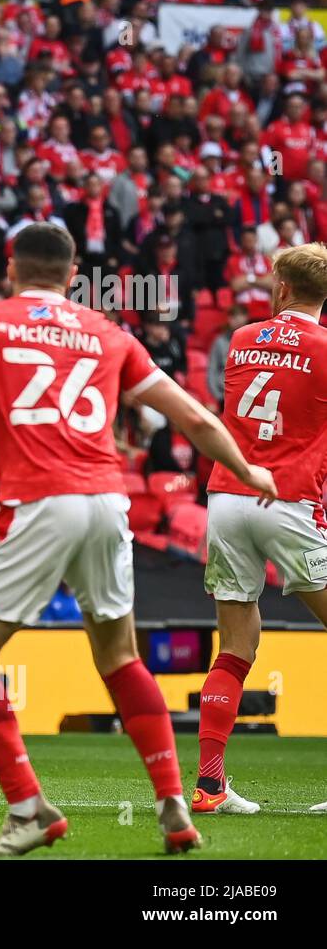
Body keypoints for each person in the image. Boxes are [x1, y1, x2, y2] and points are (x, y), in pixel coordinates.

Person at [0, 222, 276, 857]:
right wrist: (248, 470)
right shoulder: (109, 332)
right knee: (120, 657)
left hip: (35, 501)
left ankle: (29, 808)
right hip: (110, 503)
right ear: (73, 271)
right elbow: (192, 414)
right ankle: (173, 803)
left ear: (11, 267)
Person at [196, 243, 327, 816]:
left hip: (228, 496)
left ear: (281, 288)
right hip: (291, 498)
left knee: (235, 648)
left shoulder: (243, 339)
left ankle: (209, 786)